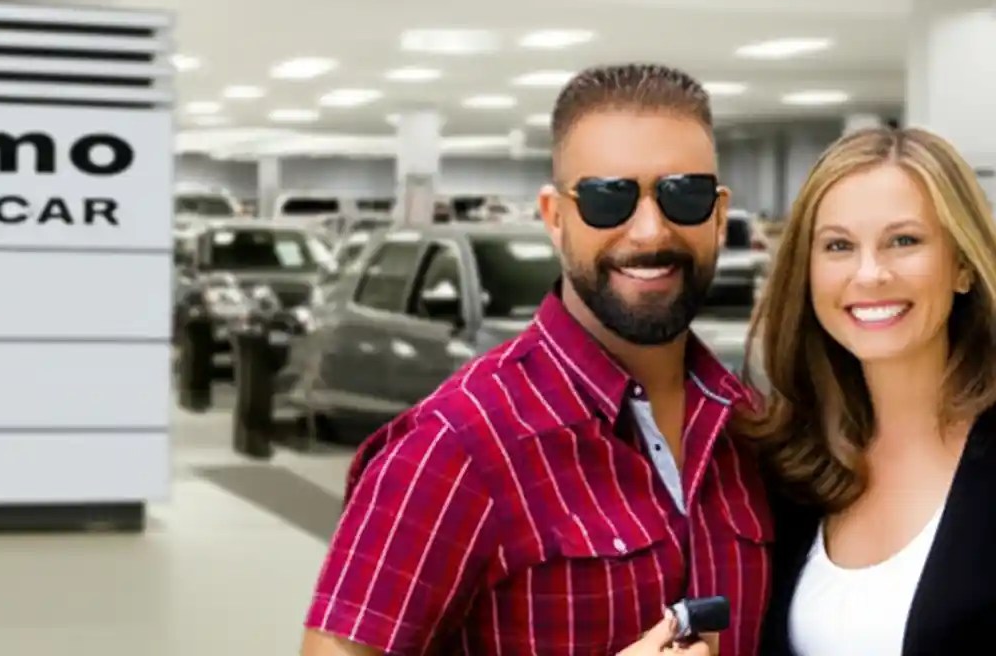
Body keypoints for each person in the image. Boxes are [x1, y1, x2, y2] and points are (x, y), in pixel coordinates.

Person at [299, 63, 772, 656]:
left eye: (685, 196)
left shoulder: (747, 429)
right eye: (608, 199)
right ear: (555, 217)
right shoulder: (457, 445)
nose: (651, 230)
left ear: (720, 215)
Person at [747, 127, 996, 655]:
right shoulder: (789, 465)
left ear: (963, 266)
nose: (869, 273)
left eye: (903, 240)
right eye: (838, 246)